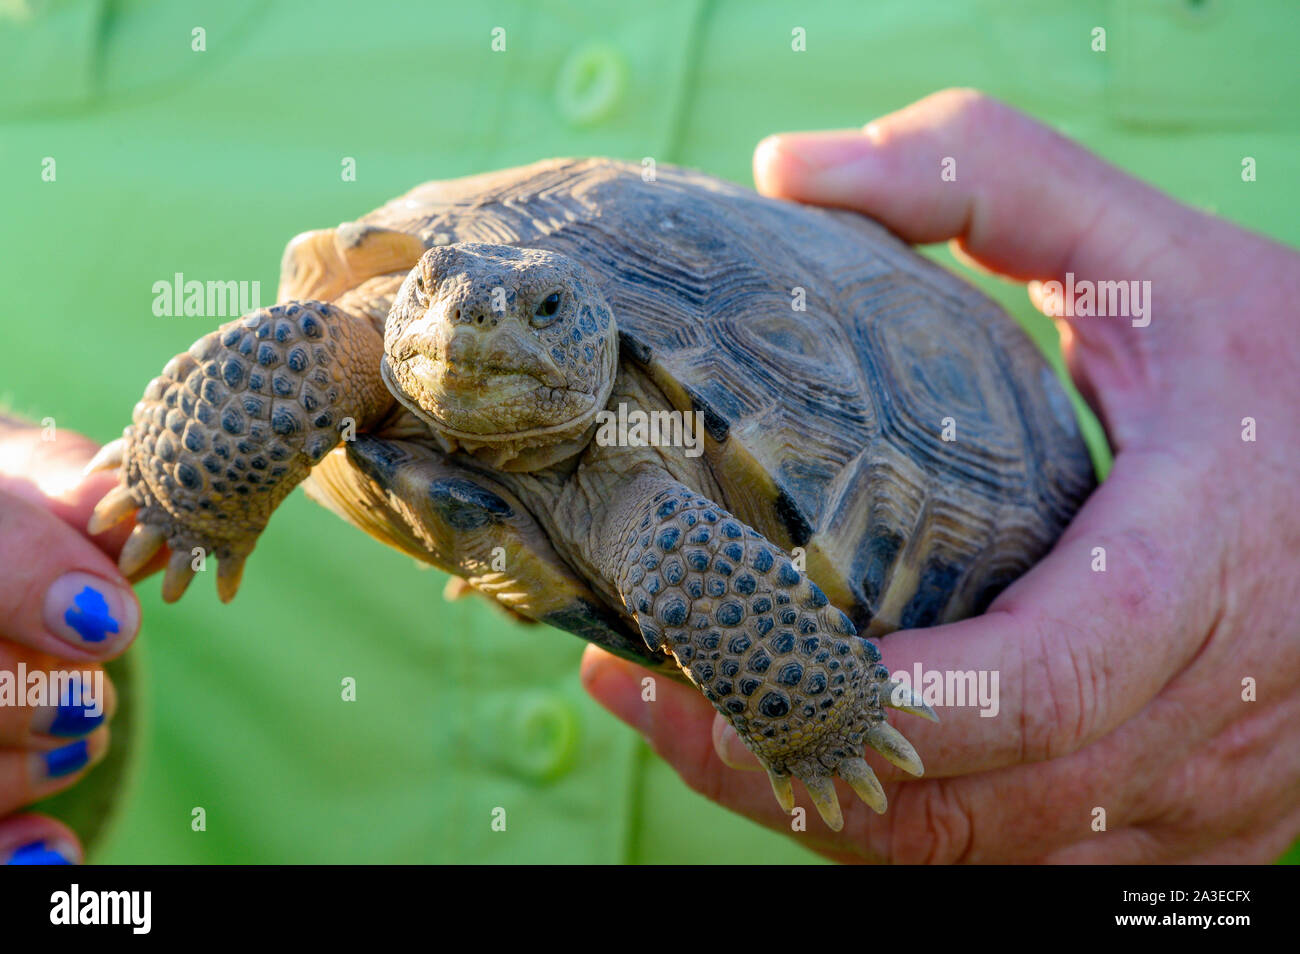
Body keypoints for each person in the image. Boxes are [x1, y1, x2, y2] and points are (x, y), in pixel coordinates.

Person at [1, 1, 1295, 864]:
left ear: (590, 338)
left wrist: (819, 712)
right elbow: (329, 340)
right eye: (447, 296)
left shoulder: (652, 481)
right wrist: (167, 493)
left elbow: (679, 533)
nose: (477, 322)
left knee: (679, 554)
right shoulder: (357, 343)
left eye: (542, 310)